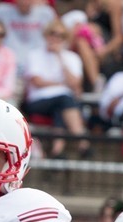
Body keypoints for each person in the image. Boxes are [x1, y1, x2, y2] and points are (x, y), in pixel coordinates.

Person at [23, 19, 90, 158]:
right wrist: (61, 84)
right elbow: (37, 81)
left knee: (62, 105)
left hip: (62, 101)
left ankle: (57, 150)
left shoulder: (72, 58)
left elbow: (75, 83)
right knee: (66, 99)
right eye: (53, 34)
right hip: (38, 100)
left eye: (61, 35)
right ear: (46, 35)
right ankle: (82, 142)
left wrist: (60, 57)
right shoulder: (34, 54)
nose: (56, 38)